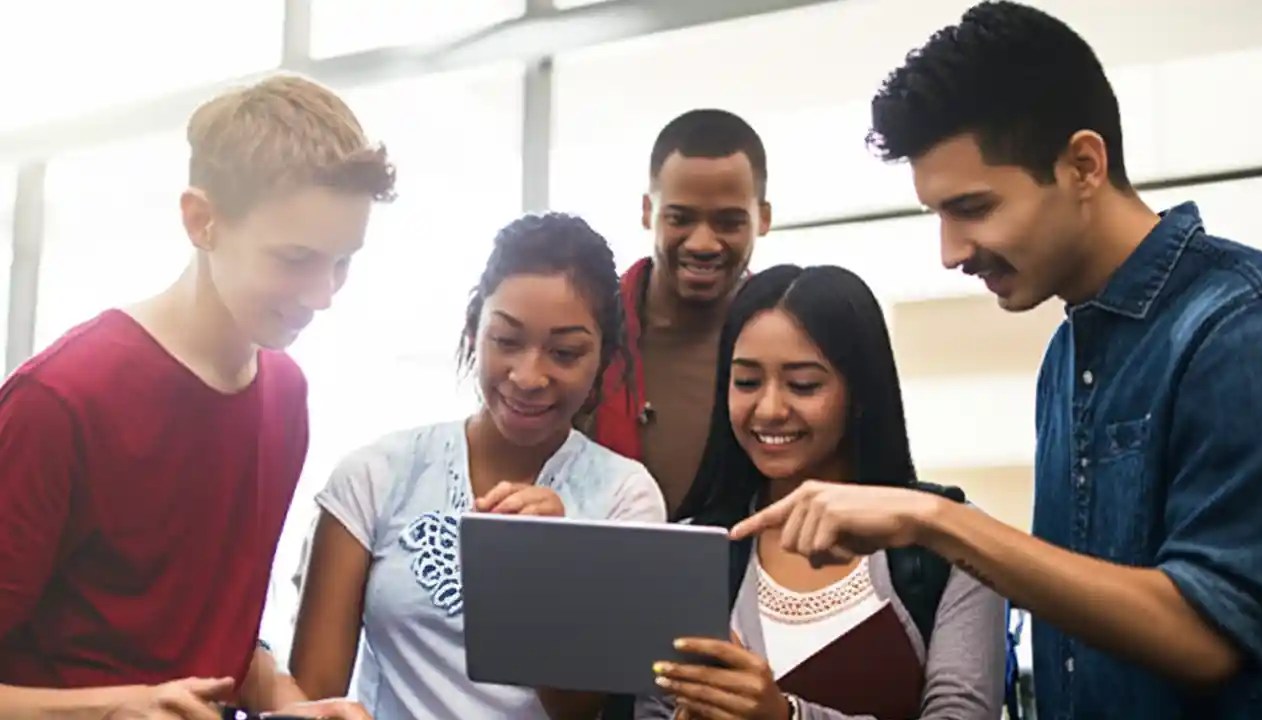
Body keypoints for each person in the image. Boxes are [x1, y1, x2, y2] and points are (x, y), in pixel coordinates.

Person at [732, 2, 1262, 718]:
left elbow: (1212, 636)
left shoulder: (1241, 326)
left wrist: (936, 523)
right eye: (938, 215)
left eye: (975, 208)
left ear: (1083, 164)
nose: (951, 252)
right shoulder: (1067, 354)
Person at [0, 74, 395, 719]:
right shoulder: (61, 400)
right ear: (201, 221)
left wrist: (291, 706)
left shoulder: (284, 396)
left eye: (342, 261)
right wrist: (106, 711)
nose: (324, 293)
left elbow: (218, 641)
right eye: (295, 258)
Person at [288, 212, 667, 720]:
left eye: (565, 352)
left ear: (604, 359)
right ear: (473, 332)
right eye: (507, 341)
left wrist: (550, 568)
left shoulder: (625, 496)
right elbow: (312, 700)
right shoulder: (377, 474)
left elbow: (577, 709)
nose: (529, 376)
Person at [632, 265, 1004, 719]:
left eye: (803, 385)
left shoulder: (945, 540)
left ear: (860, 391)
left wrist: (786, 716)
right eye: (746, 382)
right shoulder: (690, 549)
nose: (769, 410)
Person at [593, 109, 772, 518]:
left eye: (728, 221)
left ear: (763, 218)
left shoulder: (794, 341)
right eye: (680, 218)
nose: (703, 242)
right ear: (646, 212)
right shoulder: (587, 334)